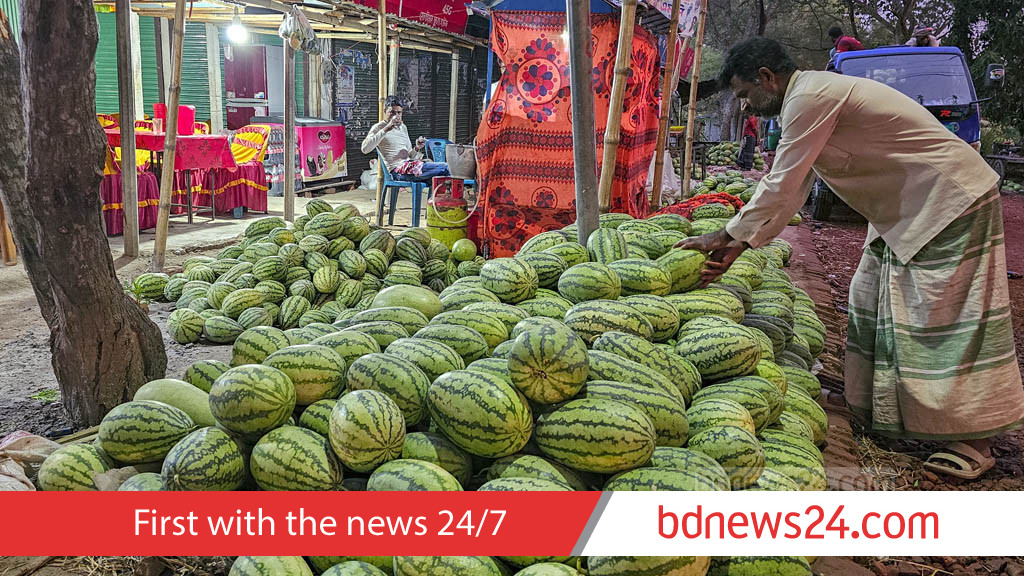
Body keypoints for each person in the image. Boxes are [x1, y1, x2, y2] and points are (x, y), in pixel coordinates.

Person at [676, 37, 1024, 480]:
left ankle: (975, 438)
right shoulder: (808, 99)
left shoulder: (810, 95)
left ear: (767, 77)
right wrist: (739, 244)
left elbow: (782, 182)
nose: (745, 107)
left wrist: (725, 235)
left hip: (948, 198)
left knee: (945, 314)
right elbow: (795, 188)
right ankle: (881, 406)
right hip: (904, 207)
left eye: (745, 94)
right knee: (871, 295)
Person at [360, 95, 450, 182]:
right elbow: (365, 149)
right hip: (397, 172)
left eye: (399, 113)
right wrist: (386, 129)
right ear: (385, 111)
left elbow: (410, 156)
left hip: (410, 167)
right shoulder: (379, 127)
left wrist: (417, 148)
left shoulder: (403, 127)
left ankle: (440, 196)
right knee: (446, 168)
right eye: (392, 112)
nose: (396, 116)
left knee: (442, 175)